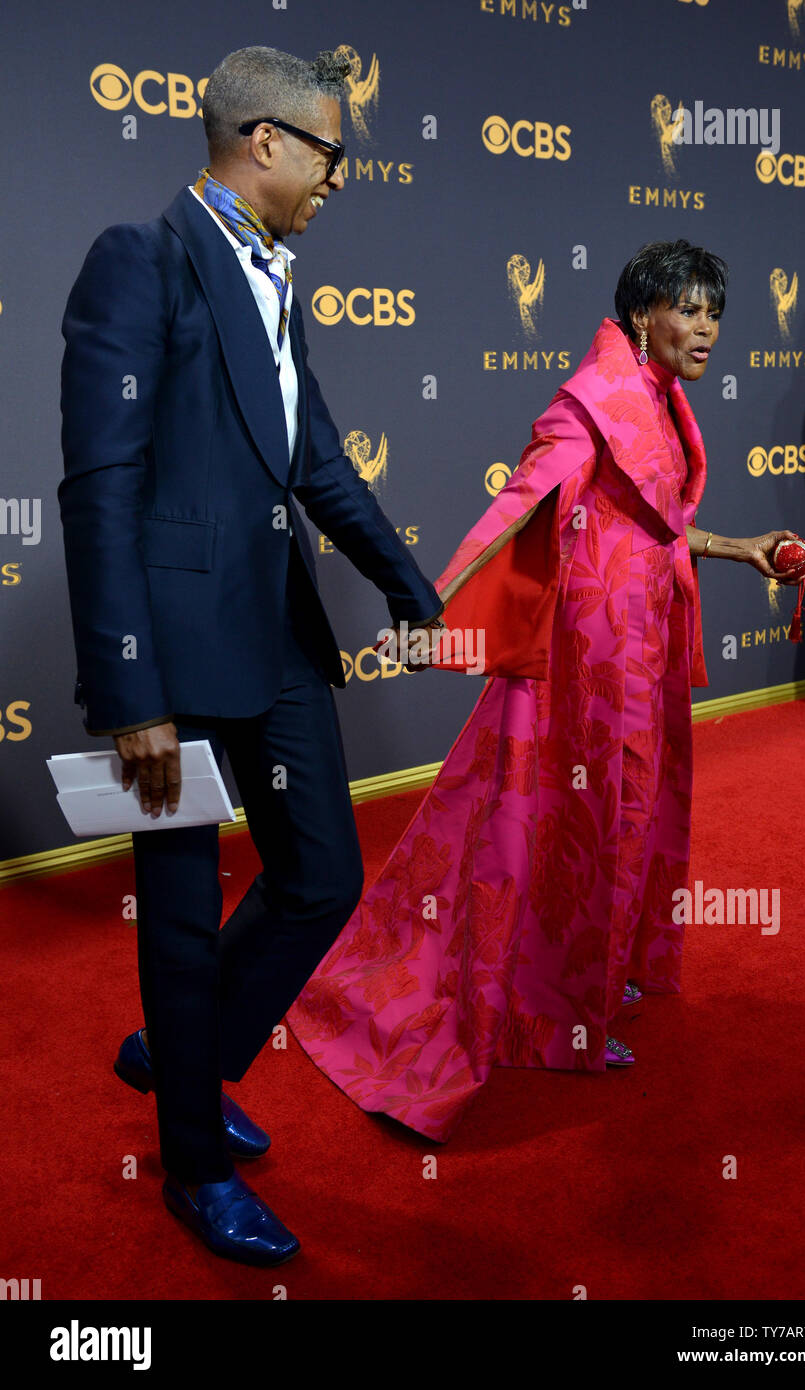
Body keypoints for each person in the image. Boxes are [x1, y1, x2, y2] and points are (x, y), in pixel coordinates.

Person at [287, 240, 805, 1143]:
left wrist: (739, 549)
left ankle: (597, 978)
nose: (708, 330)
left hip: (642, 646)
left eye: (716, 314)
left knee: (630, 812)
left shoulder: (660, 396)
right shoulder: (591, 402)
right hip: (587, 658)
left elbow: (654, 525)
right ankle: (552, 1011)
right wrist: (436, 613)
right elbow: (522, 503)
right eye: (690, 310)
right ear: (644, 313)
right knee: (572, 824)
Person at [58, 45, 442, 1265]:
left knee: (322, 876)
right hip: (169, 659)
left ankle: (182, 1056)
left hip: (278, 633)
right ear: (264, 142)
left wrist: (405, 581)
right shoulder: (142, 259)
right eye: (333, 154)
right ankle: (192, 1164)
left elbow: (315, 457)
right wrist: (130, 690)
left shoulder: (278, 279)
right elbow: (99, 487)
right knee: (178, 919)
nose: (342, 178)